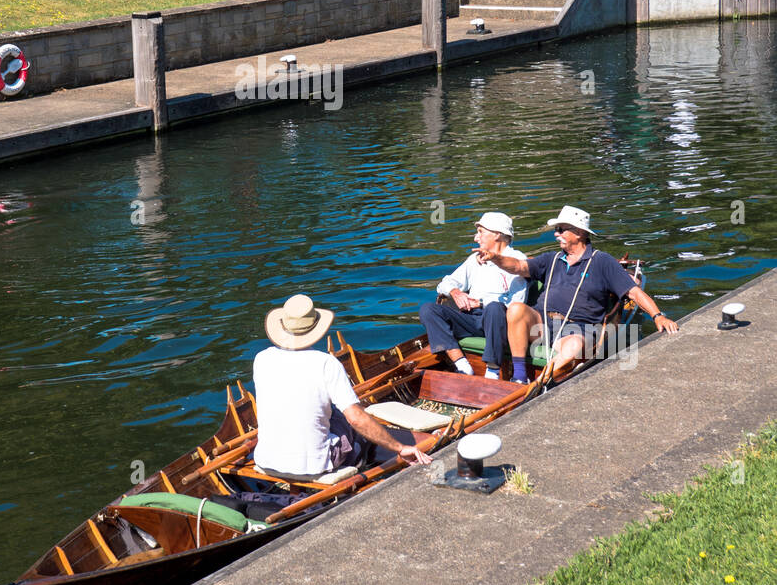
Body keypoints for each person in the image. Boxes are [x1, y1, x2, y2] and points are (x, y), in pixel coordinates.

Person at [476, 205, 679, 383]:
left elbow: (633, 292)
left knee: (574, 345)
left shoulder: (602, 262)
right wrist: (495, 258)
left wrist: (658, 315)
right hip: (542, 324)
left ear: (580, 233)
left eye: (561, 229)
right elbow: (519, 266)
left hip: (577, 329)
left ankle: (540, 385)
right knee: (515, 309)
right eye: (556, 229)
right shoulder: (552, 259)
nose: (556, 234)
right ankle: (519, 377)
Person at [252, 293, 432, 479]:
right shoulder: (326, 363)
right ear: (315, 327)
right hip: (316, 464)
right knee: (352, 422)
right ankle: (359, 457)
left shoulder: (262, 358)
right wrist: (400, 448)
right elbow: (355, 419)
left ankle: (293, 492)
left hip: (266, 459)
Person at [418, 212, 528, 381]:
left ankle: (492, 371)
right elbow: (444, 283)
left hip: (500, 321)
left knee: (494, 308)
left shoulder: (517, 260)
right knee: (428, 310)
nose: (476, 238)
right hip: (471, 319)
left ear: (497, 234)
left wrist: (481, 303)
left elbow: (517, 304)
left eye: (481, 232)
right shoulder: (474, 259)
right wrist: (456, 292)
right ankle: (462, 364)